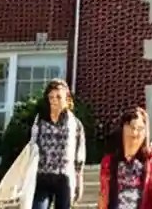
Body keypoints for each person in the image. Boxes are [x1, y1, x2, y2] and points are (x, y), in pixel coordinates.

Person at [30, 78, 88, 209]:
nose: (54, 100)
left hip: (64, 177)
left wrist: (79, 180)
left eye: (58, 97)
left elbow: (79, 153)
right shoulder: (40, 121)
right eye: (51, 97)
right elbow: (31, 147)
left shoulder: (75, 124)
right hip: (42, 175)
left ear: (67, 99)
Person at [98, 107, 152, 209]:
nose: (135, 133)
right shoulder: (109, 163)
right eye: (131, 127)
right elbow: (103, 198)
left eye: (140, 129)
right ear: (122, 128)